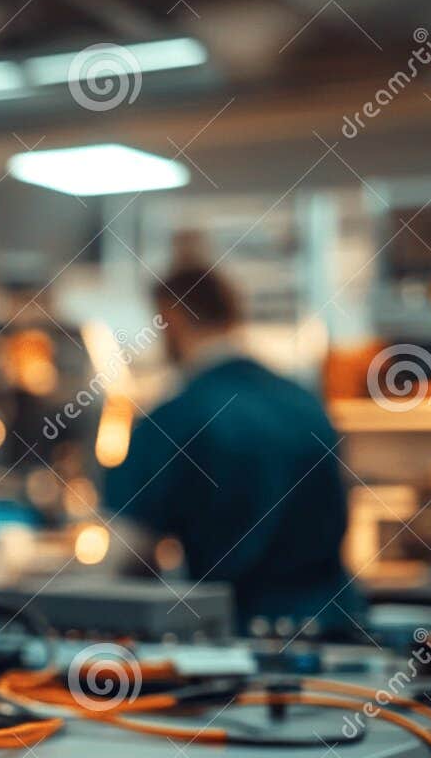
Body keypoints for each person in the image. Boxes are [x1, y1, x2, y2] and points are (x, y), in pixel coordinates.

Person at [102, 265, 362, 635]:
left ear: (170, 319)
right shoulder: (305, 403)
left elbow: (130, 557)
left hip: (237, 636)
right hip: (338, 627)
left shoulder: (176, 417)